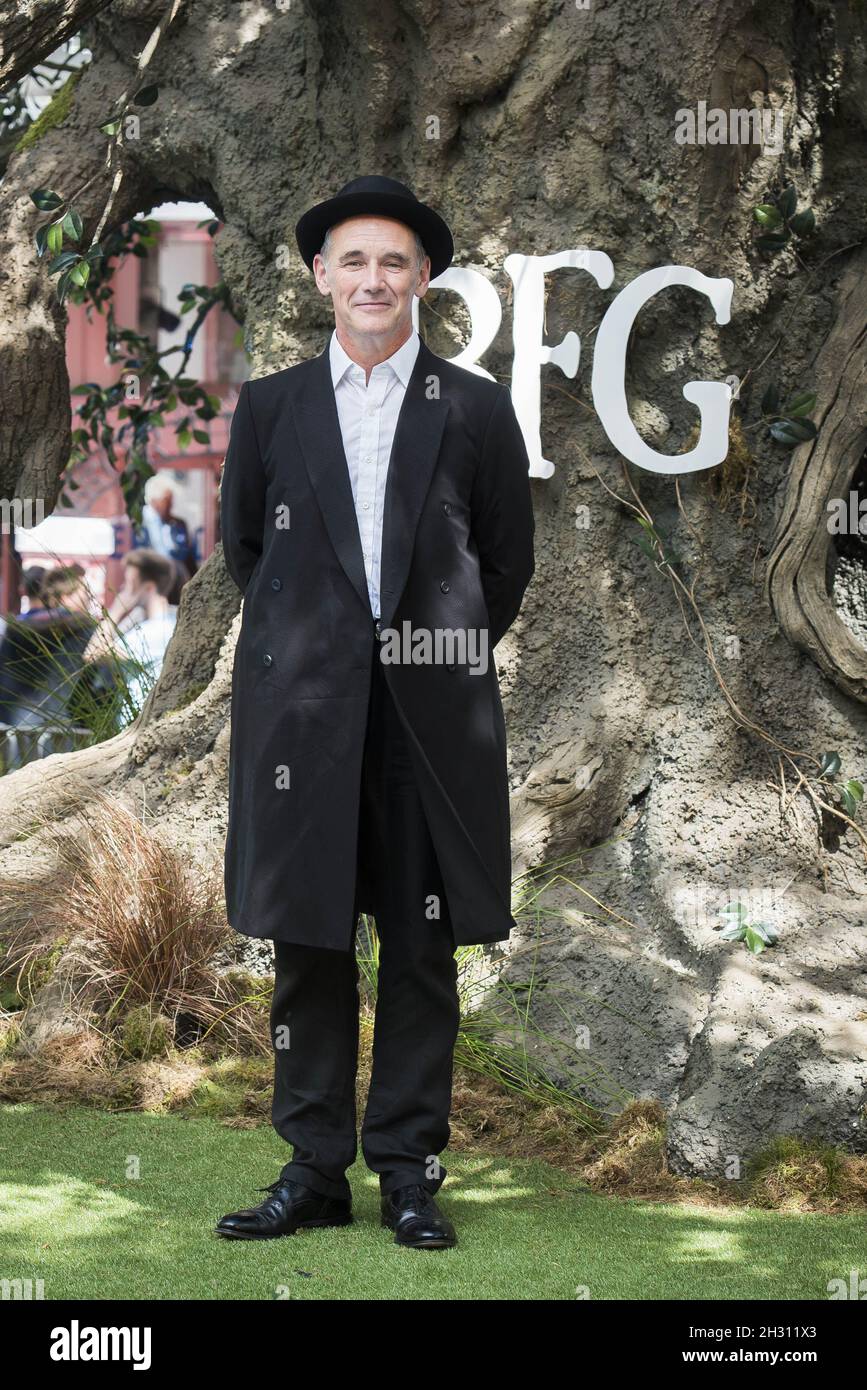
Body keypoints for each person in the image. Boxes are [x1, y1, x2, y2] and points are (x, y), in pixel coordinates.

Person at [216, 175, 535, 1250]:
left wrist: (419, 663)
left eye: (393, 261)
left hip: (429, 725)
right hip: (301, 726)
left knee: (420, 942)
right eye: (352, 260)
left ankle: (409, 1170)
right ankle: (312, 1170)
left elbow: (504, 564)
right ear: (320, 277)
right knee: (308, 943)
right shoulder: (269, 407)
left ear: (424, 279)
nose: (372, 278)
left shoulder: (478, 410)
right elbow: (246, 557)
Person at [82, 549, 178, 718]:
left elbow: (92, 653)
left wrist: (116, 610)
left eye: (128, 584)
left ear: (149, 588)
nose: (122, 590)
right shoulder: (165, 623)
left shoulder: (155, 631)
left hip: (141, 724)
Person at [132, 475, 198, 601]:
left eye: (171, 500)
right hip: (152, 587)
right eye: (166, 501)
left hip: (179, 586)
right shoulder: (141, 524)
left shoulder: (179, 524)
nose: (171, 505)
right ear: (154, 501)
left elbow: (188, 558)